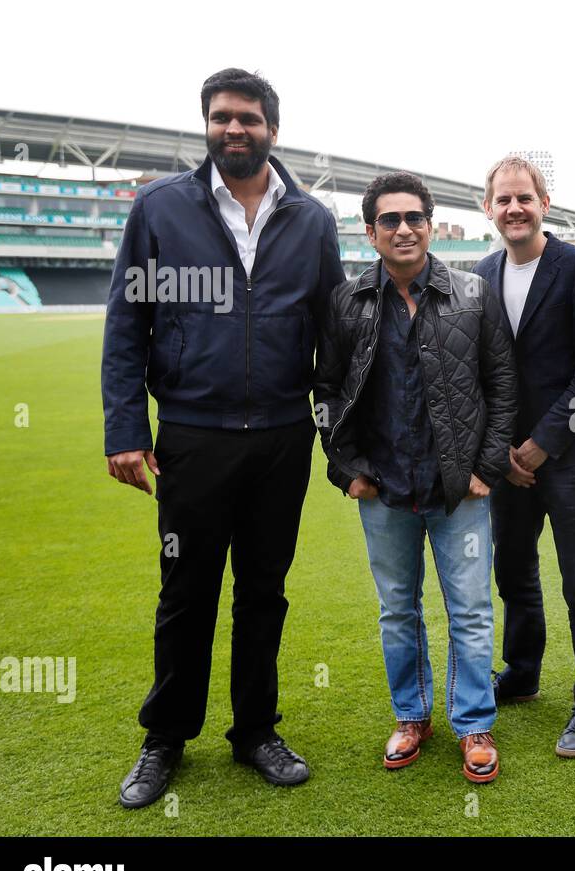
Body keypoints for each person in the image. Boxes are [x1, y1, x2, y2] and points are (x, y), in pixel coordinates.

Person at [102, 68, 345, 808]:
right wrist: (124, 428)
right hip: (192, 438)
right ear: (205, 124)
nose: (233, 129)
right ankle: (165, 737)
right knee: (186, 592)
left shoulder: (311, 219)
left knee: (263, 592)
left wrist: (333, 435)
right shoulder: (159, 209)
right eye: (220, 117)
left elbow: (331, 339)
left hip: (279, 440)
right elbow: (126, 324)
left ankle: (254, 731)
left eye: (247, 118)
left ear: (273, 126)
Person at [314, 171, 516, 783]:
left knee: (472, 610)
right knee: (397, 611)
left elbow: (503, 385)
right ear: (370, 232)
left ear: (430, 224)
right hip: (382, 490)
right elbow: (325, 393)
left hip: (459, 491)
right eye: (389, 220)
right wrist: (346, 470)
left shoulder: (474, 294)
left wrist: (485, 468)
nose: (403, 229)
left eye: (414, 218)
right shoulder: (346, 301)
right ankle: (411, 715)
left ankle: (473, 724)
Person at [473, 156, 575, 758]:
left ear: (544, 203)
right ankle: (524, 672)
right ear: (488, 208)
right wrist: (503, 451)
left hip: (570, 455)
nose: (514, 209)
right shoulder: (481, 273)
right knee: (514, 573)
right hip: (507, 460)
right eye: (503, 200)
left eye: (524, 198)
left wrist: (540, 444)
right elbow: (479, 371)